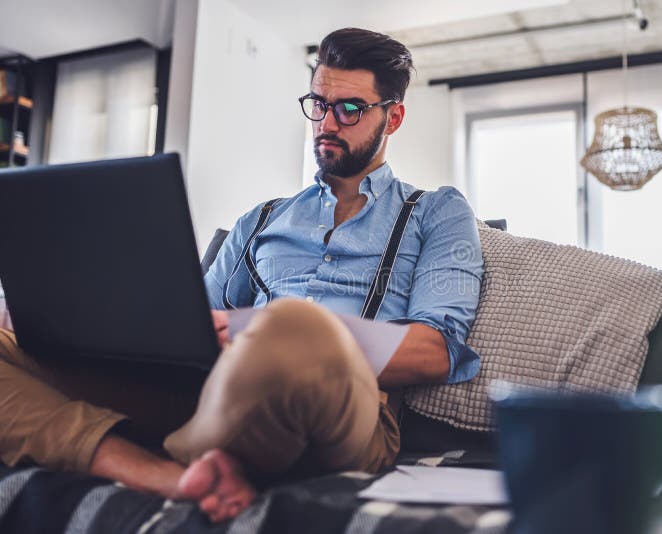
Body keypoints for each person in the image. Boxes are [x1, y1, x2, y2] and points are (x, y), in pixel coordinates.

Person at [0, 27, 483, 522]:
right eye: (318, 104)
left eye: (350, 109)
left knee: (291, 323)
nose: (326, 123)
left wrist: (261, 328)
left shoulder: (435, 211)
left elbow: (438, 351)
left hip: (351, 406)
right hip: (219, 389)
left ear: (393, 116)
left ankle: (184, 443)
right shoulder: (262, 219)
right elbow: (191, 328)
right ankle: (155, 471)